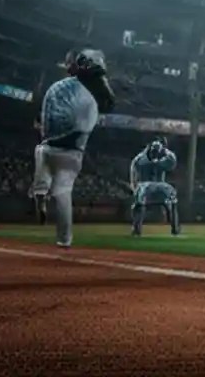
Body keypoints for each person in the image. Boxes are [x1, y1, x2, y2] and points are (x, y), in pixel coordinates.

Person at [30, 49, 116, 248]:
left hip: (47, 147)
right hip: (72, 151)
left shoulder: (56, 87)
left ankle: (40, 193)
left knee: (41, 156)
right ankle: (64, 240)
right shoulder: (91, 92)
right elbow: (107, 106)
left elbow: (43, 119)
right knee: (63, 192)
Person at [130, 137, 180, 237]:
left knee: (139, 205)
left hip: (145, 185)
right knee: (172, 203)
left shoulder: (140, 158)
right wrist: (164, 150)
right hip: (161, 185)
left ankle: (137, 229)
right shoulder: (165, 157)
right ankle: (175, 228)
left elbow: (133, 172)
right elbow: (172, 161)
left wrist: (134, 187)